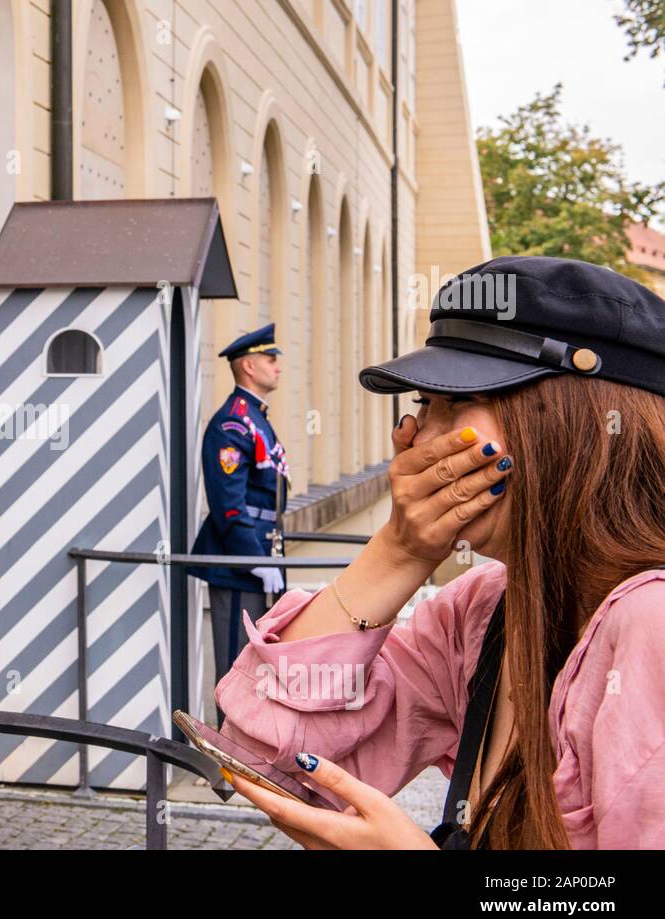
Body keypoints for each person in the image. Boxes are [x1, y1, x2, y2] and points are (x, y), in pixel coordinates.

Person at [217, 256, 665, 849]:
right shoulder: (483, 611)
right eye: (423, 405)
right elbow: (261, 764)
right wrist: (400, 548)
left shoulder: (648, 623)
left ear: (568, 423)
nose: (416, 438)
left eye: (452, 405)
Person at [190, 323, 289, 719]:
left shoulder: (255, 418)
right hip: (240, 562)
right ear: (248, 366)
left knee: (258, 666)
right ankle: (224, 765)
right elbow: (229, 507)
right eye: (270, 359)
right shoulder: (232, 423)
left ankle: (249, 755)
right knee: (235, 663)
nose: (278, 367)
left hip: (264, 552)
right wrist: (255, 560)